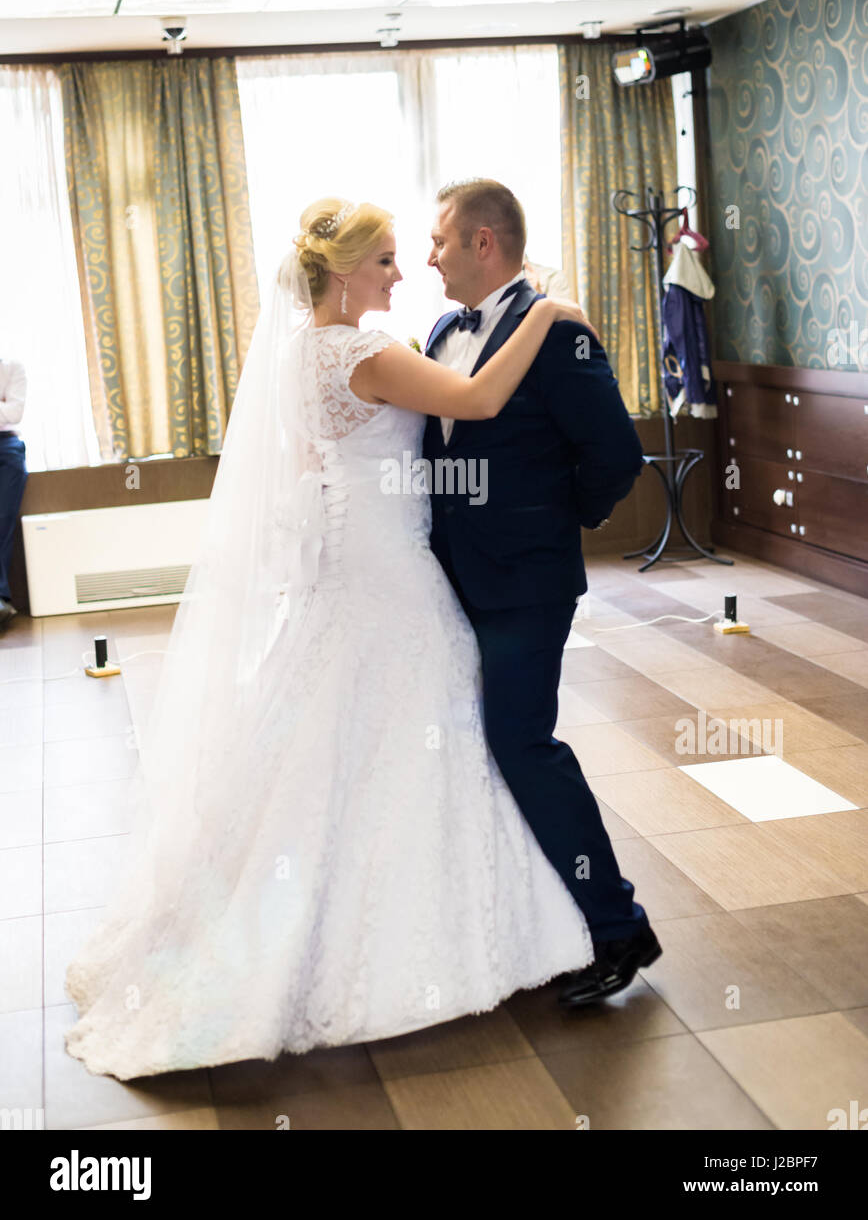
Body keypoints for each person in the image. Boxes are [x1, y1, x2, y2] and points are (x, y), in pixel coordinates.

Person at [64, 198, 597, 1081]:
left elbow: (321, 470)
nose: (402, 272)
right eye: (386, 260)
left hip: (356, 568)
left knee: (333, 748)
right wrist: (543, 308)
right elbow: (477, 396)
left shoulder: (301, 355)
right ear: (345, 272)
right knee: (426, 733)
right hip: (390, 578)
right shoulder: (362, 351)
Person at [423, 180, 661, 1008]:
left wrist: (551, 523)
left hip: (526, 581)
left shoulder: (561, 337)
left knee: (523, 743)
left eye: (440, 242)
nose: (429, 258)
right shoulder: (441, 331)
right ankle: (530, 927)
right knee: (474, 744)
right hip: (445, 576)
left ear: (484, 244)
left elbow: (618, 456)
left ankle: (617, 925)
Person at [0, 355, 28, 632]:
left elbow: (15, 414)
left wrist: (8, 409)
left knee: (3, 519)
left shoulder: (13, 366)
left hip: (6, 446)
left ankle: (0, 599)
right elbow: (6, 410)